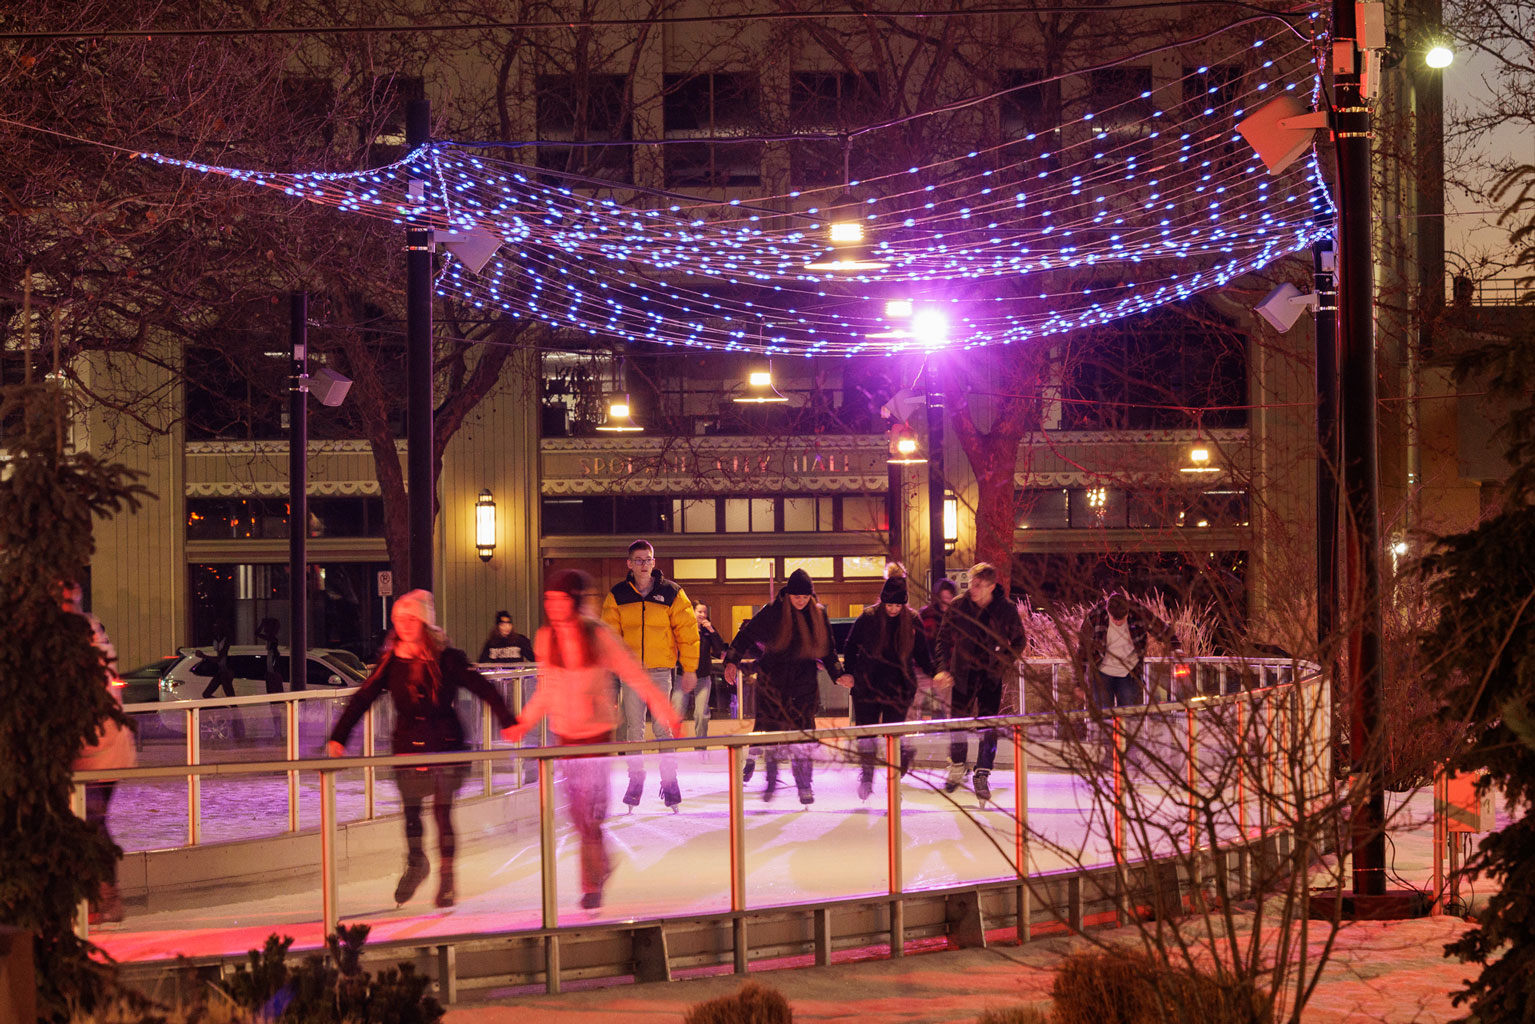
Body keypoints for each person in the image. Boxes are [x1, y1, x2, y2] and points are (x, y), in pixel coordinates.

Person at [327, 589, 518, 909]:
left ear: (424, 623)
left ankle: (446, 875)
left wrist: (507, 720)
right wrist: (339, 736)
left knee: (443, 814)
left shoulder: (446, 657)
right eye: (398, 619)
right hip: (408, 745)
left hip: (445, 744)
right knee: (412, 812)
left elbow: (482, 686)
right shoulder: (391, 660)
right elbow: (363, 697)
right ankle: (417, 861)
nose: (403, 624)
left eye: (410, 619)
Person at [504, 570, 682, 911]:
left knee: (592, 811)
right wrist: (522, 722)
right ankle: (599, 867)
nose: (553, 608)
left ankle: (591, 884)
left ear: (573, 602)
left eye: (560, 601)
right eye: (549, 602)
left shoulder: (599, 636)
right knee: (578, 814)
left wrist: (665, 712)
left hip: (596, 736)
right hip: (566, 736)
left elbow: (636, 676)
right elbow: (547, 689)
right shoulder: (547, 639)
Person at [724, 568, 847, 805]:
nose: (801, 601)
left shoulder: (818, 615)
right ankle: (770, 781)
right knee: (770, 736)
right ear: (788, 594)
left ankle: (804, 785)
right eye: (796, 597)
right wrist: (731, 661)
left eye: (805, 597)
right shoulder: (773, 612)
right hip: (772, 684)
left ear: (811, 595)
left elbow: (828, 650)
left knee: (803, 737)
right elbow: (745, 636)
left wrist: (838, 675)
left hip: (804, 686)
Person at [599, 540, 700, 810]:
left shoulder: (672, 594)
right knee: (634, 729)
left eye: (649, 559)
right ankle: (635, 780)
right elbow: (608, 638)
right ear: (629, 564)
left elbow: (688, 634)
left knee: (661, 727)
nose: (644, 565)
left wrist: (690, 669)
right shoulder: (618, 595)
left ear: (654, 562)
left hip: (659, 671)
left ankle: (670, 782)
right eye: (639, 560)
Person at [64, 579, 134, 925]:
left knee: (91, 822)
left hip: (95, 754)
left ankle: (103, 898)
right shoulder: (89, 639)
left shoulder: (77, 644)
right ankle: (95, 898)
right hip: (98, 751)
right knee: (90, 823)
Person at [934, 563, 1026, 802]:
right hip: (962, 674)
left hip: (990, 676)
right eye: (970, 583)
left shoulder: (1005, 609)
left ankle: (982, 771)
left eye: (977, 585)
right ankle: (957, 765)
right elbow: (942, 640)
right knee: (957, 723)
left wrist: (1001, 662)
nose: (971, 588)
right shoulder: (958, 606)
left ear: (991, 586)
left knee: (988, 724)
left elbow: (1018, 641)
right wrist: (943, 669)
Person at [841, 571, 936, 800]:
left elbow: (923, 653)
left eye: (897, 605)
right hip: (868, 686)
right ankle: (866, 775)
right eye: (889, 604)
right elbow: (850, 645)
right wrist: (850, 673)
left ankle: (894, 781)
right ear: (882, 601)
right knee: (867, 735)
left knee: (894, 735)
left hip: (898, 687)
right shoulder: (869, 617)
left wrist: (936, 672)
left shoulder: (912, 620)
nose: (893, 609)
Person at [1075, 591, 1182, 711]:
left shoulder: (1138, 612)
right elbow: (1082, 650)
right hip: (1101, 673)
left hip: (1129, 672)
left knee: (1128, 716)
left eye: (1122, 618)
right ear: (1108, 611)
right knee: (1103, 716)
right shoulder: (1096, 616)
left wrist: (1176, 647)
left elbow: (1161, 630)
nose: (1118, 622)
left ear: (1128, 611)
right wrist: (1078, 683)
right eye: (1114, 619)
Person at [915, 578, 959, 718]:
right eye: (943, 598)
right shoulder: (925, 615)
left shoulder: (957, 616)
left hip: (946, 667)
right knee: (913, 703)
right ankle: (907, 735)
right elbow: (919, 642)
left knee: (950, 708)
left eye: (949, 598)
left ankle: (954, 734)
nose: (945, 602)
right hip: (924, 665)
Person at [690, 602, 730, 737]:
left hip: (703, 675)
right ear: (692, 612)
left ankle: (701, 748)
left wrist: (712, 631)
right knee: (676, 712)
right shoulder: (685, 628)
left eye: (705, 612)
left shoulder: (708, 631)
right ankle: (672, 748)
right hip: (683, 675)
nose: (702, 615)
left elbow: (719, 648)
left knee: (701, 713)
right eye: (699, 612)